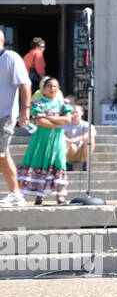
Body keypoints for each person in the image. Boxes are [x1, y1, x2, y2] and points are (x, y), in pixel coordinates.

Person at [17, 76, 74, 204]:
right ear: (43, 89)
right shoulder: (38, 103)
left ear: (58, 88)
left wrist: (48, 117)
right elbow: (39, 121)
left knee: (59, 162)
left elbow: (68, 119)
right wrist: (57, 123)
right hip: (41, 138)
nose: (52, 88)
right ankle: (39, 195)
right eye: (49, 86)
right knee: (41, 162)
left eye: (55, 86)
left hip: (57, 138)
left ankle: (60, 195)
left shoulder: (64, 103)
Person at [0, 31, 33, 207]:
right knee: (3, 154)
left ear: (2, 40)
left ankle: (16, 195)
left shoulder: (10, 57)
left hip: (4, 115)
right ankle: (15, 194)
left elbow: (25, 83)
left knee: (1, 154)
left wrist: (25, 110)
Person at [62, 103, 95, 171]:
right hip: (69, 151)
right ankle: (67, 163)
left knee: (91, 140)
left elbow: (93, 132)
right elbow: (60, 134)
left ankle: (86, 163)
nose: (74, 114)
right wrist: (70, 142)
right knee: (60, 140)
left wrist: (76, 139)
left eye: (76, 112)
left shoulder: (85, 124)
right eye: (72, 112)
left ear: (82, 113)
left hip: (81, 152)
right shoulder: (65, 125)